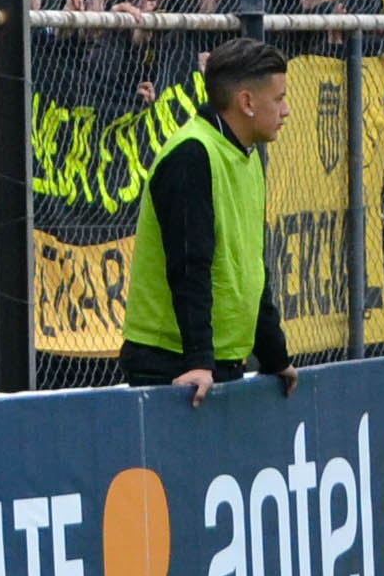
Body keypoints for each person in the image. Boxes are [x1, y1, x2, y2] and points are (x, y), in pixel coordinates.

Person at [121, 35, 297, 398]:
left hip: (215, 360)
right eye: (279, 98)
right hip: (173, 364)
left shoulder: (245, 154)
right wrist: (199, 361)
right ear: (246, 102)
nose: (286, 110)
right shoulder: (192, 155)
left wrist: (274, 355)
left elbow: (250, 267)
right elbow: (189, 266)